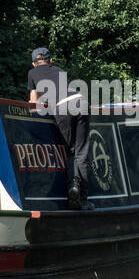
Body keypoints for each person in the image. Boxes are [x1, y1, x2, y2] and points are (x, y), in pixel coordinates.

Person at [28, 46, 93, 211]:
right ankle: (83, 199)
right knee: (82, 152)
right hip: (81, 102)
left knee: (71, 152)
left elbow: (34, 102)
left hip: (63, 108)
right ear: (50, 60)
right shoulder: (58, 69)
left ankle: (73, 188)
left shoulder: (32, 73)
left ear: (34, 63)